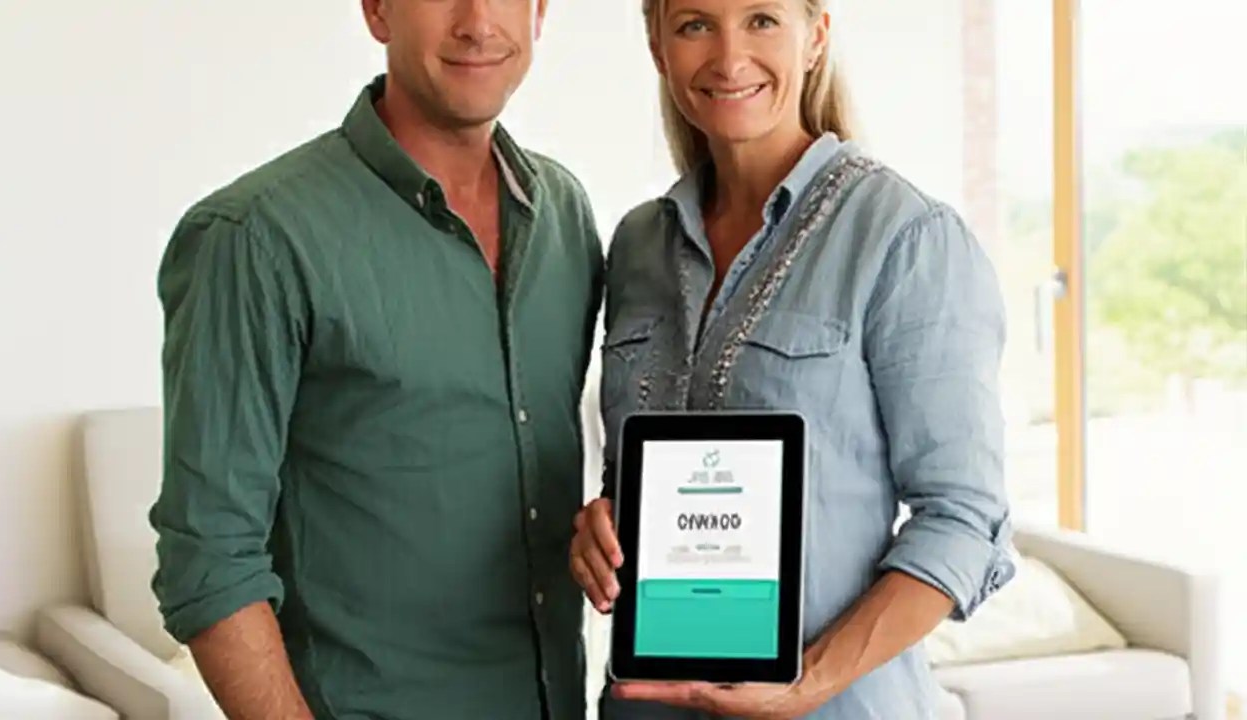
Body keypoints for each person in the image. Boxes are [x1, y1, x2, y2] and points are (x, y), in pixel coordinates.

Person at [149, 1, 603, 718]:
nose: (477, 21)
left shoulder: (567, 217)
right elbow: (207, 562)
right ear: (377, 9)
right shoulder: (255, 237)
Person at [570, 0, 1015, 717]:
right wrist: (602, 529)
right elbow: (639, 480)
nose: (728, 56)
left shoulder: (905, 237)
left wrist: (809, 682)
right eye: (693, 25)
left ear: (817, 36)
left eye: (762, 19)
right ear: (658, 46)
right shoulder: (636, 245)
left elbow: (965, 520)